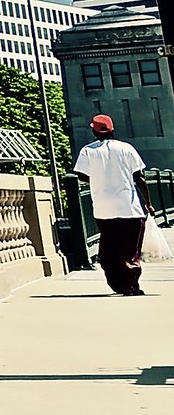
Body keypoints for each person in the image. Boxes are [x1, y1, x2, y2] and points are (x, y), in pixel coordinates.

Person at [73, 113, 152, 296]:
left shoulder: (87, 151)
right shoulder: (127, 149)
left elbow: (81, 175)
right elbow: (139, 177)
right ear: (112, 129)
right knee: (130, 250)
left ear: (94, 131)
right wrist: (148, 203)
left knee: (109, 250)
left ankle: (118, 284)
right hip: (129, 208)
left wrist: (98, 179)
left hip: (103, 209)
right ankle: (131, 285)